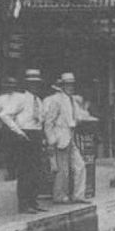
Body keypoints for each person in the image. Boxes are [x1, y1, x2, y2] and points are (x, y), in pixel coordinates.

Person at [0, 69, 48, 214]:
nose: (35, 86)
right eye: (33, 84)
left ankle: (33, 201)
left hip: (36, 135)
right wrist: (18, 131)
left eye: (37, 84)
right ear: (27, 84)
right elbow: (4, 115)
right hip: (25, 135)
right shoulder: (21, 98)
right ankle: (24, 204)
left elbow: (41, 121)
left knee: (36, 171)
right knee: (25, 171)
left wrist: (42, 137)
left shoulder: (38, 100)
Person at [42, 72, 88, 204]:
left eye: (72, 84)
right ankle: (59, 196)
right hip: (60, 137)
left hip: (71, 135)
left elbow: (78, 116)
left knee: (80, 165)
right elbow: (49, 122)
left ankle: (78, 195)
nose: (70, 87)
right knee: (62, 170)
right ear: (62, 86)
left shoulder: (73, 100)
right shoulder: (56, 100)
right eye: (68, 84)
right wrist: (51, 139)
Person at [0, 77, 18, 180]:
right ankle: (10, 172)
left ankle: (17, 171)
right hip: (6, 127)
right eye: (8, 86)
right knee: (8, 151)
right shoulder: (1, 98)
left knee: (17, 150)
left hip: (17, 126)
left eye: (12, 86)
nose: (10, 88)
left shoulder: (20, 98)